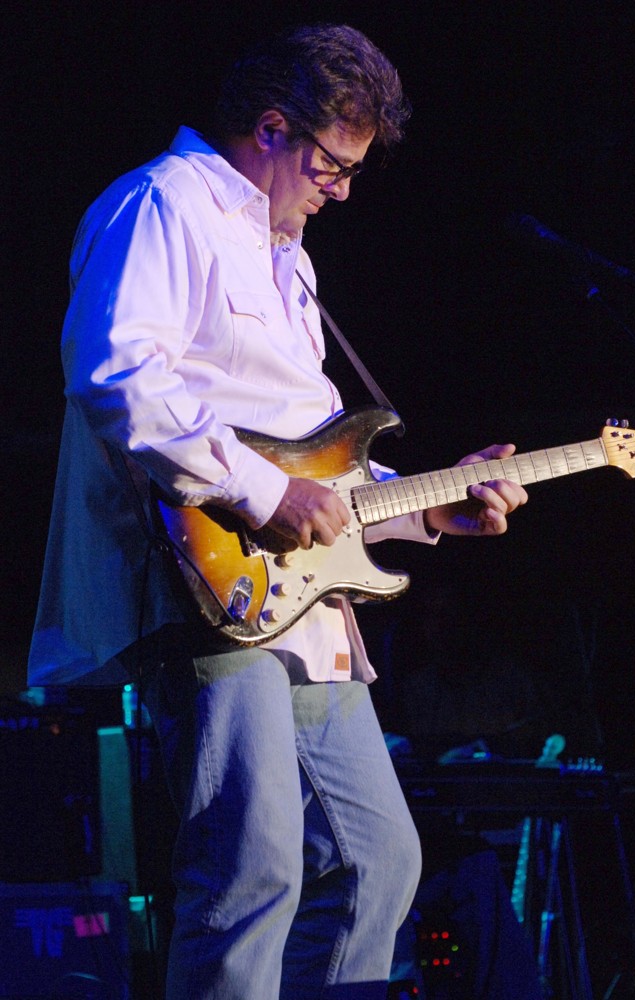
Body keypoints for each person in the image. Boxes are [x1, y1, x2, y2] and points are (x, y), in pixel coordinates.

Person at [28, 24, 528, 1000]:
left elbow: (318, 471)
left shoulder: (289, 259)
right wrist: (261, 493)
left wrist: (429, 513)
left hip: (301, 609)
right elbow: (115, 375)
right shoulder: (163, 203)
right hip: (205, 588)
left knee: (376, 863)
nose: (341, 191)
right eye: (333, 165)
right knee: (251, 871)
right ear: (270, 128)